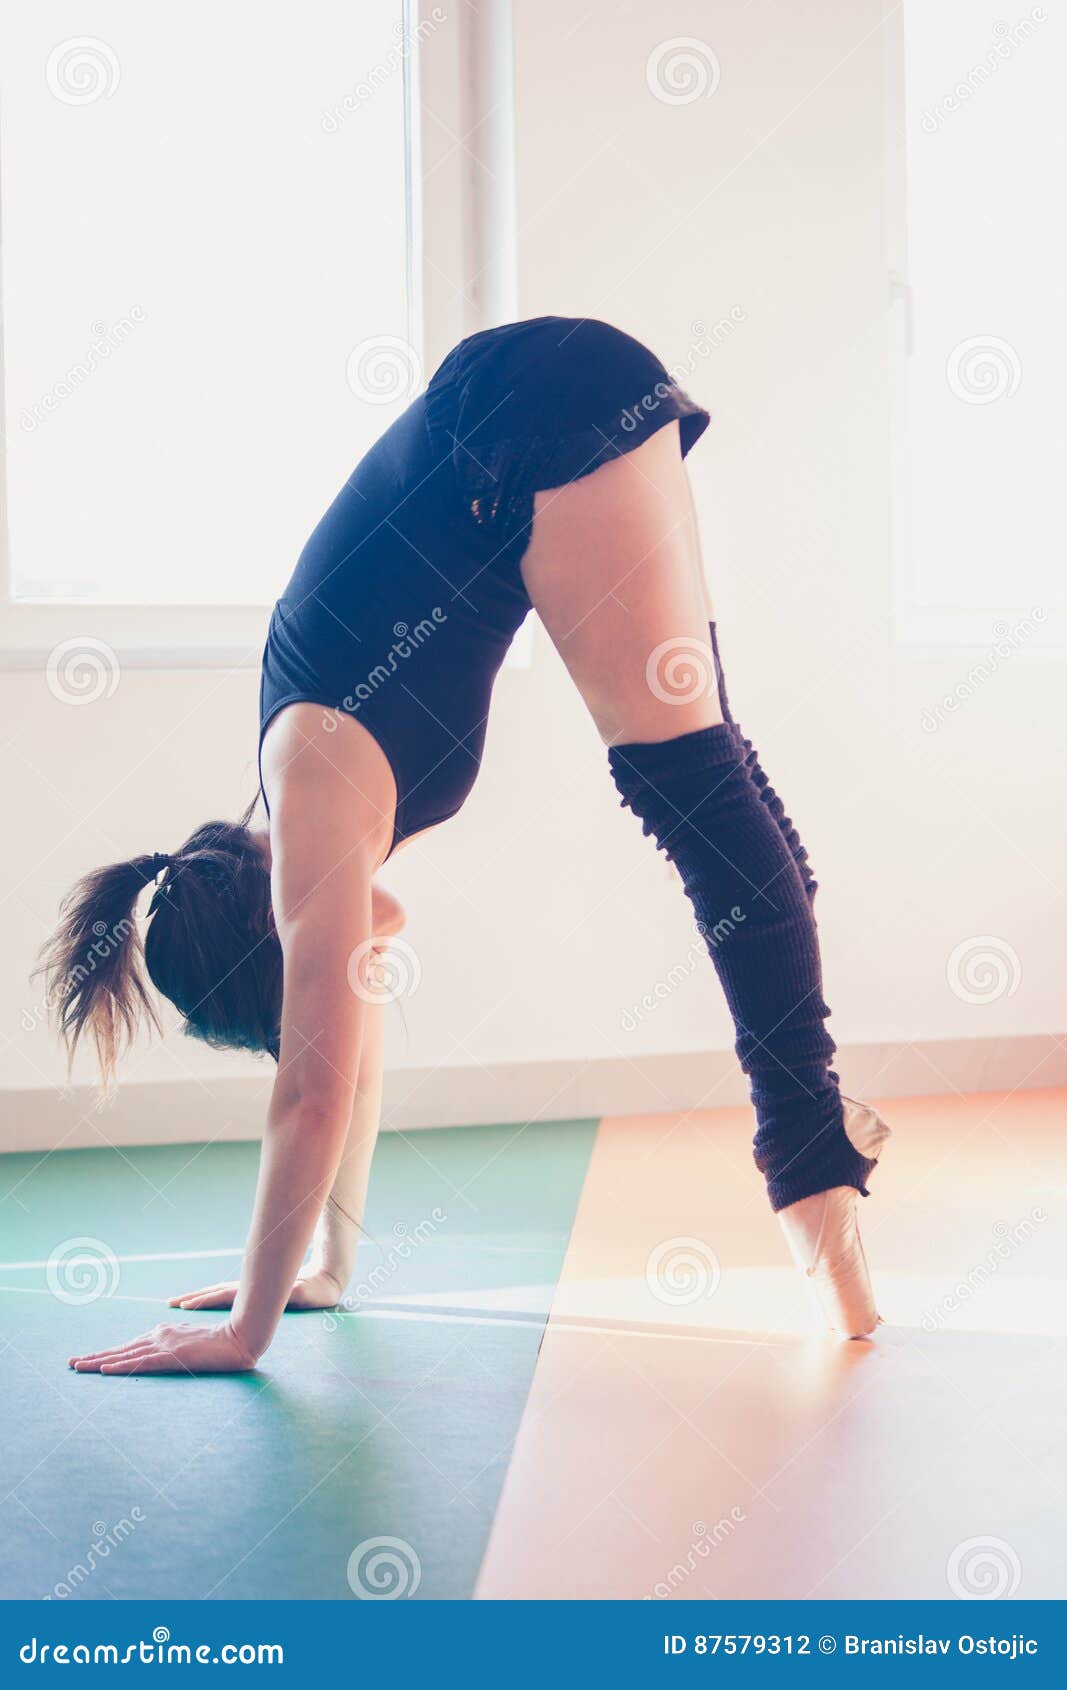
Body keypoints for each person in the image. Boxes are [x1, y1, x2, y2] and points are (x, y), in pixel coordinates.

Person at [39, 316, 889, 1375]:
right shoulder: (302, 800)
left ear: (268, 944)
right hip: (551, 393)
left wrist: (242, 1330)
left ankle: (814, 1190)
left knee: (703, 807)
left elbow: (312, 1092)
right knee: (731, 798)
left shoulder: (308, 798)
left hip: (527, 423)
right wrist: (325, 1270)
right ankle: (824, 1188)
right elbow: (349, 1046)